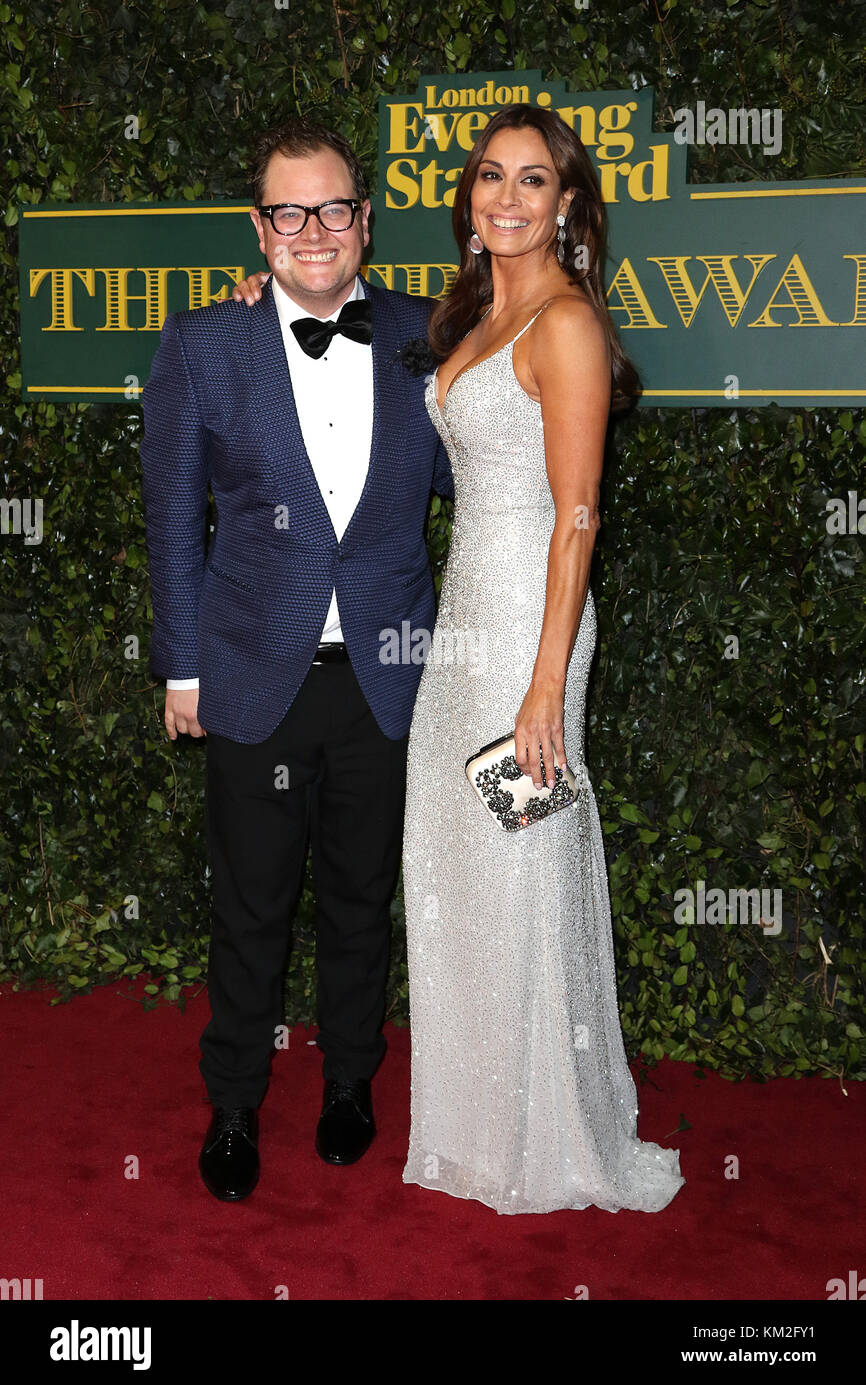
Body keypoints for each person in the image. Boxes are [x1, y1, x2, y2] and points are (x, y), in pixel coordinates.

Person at [140, 119, 453, 1201]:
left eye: (333, 210)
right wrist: (181, 667)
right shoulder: (200, 343)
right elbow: (173, 518)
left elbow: (493, 475)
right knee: (250, 906)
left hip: (385, 678)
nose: (313, 231)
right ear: (259, 228)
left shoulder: (428, 333)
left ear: (363, 221)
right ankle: (233, 1104)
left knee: (364, 899)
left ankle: (350, 1085)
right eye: (289, 212)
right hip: (249, 675)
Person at [399, 104, 686, 1214]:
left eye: (532, 181)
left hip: (531, 626)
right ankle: (476, 1118)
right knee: (459, 863)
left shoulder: (562, 324)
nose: (505, 198)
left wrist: (541, 683)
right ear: (468, 199)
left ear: (566, 205)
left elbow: (577, 516)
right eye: (489, 178)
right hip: (466, 619)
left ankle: (542, 1135)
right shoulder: (472, 315)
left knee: (521, 868)